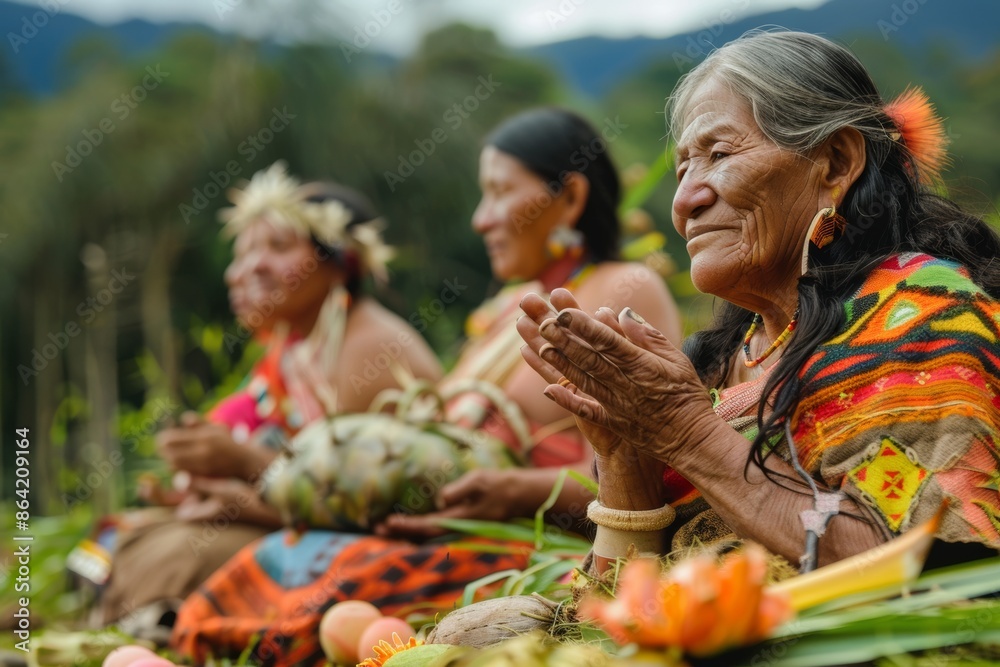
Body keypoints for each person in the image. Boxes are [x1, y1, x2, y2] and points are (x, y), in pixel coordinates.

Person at [170, 108, 683, 665]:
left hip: (533, 542)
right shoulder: (499, 311)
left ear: (571, 199)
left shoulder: (624, 286)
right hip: (449, 529)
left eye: (498, 193)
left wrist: (514, 493)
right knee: (276, 561)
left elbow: (638, 475)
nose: (481, 220)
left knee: (314, 574)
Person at [518, 30, 1000, 575]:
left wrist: (686, 432)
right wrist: (625, 452)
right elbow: (617, 607)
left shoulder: (923, 312)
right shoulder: (715, 361)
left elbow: (933, 567)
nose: (685, 201)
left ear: (837, 163)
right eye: (682, 171)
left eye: (718, 154)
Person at [98, 162, 442, 628]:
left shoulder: (371, 348)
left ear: (342, 262)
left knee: (177, 553)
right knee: (129, 533)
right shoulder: (293, 350)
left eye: (278, 247)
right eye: (242, 253)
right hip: (304, 522)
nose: (246, 270)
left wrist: (241, 472)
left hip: (371, 540)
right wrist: (209, 486)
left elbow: (371, 510)